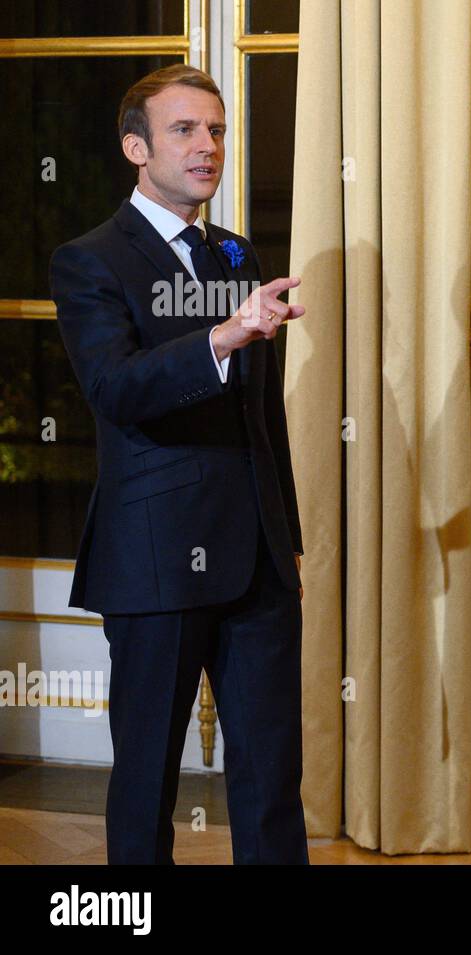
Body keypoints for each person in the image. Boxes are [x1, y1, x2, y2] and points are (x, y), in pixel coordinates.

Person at [50, 65, 310, 864]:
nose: (208, 147)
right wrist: (221, 338)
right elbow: (115, 389)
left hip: (258, 558)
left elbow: (264, 415)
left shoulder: (236, 253)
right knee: (146, 779)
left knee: (272, 779)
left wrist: (286, 537)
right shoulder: (90, 260)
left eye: (218, 131)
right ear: (136, 147)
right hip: (156, 556)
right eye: (185, 131)